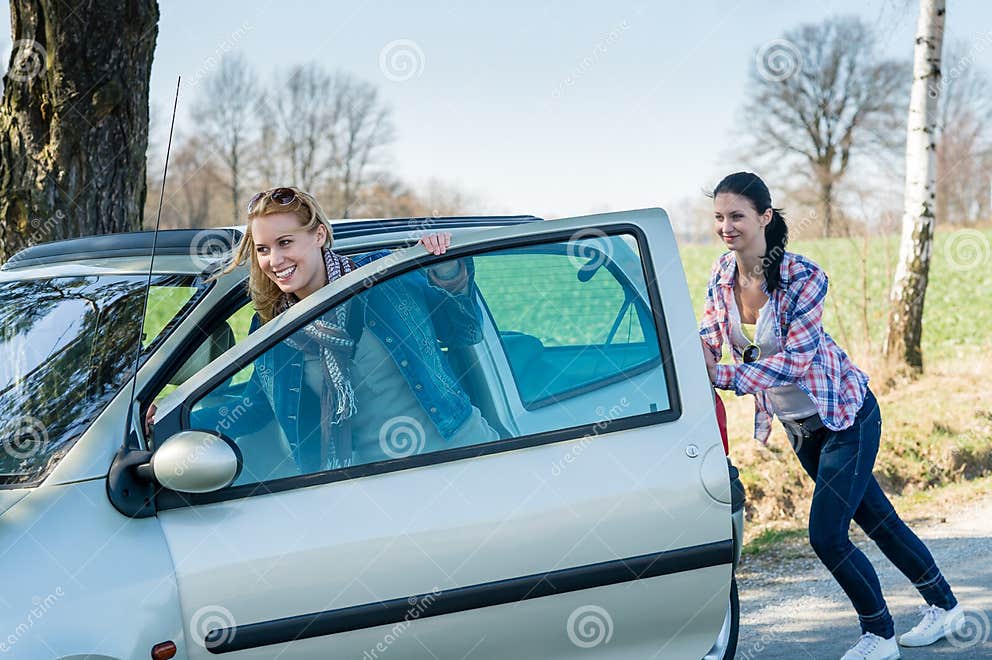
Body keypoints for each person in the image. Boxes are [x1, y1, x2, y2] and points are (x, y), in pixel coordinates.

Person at [699, 172, 963, 660]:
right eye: (719, 217)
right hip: (801, 430)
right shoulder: (721, 275)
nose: (726, 226)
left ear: (764, 217)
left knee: (825, 534)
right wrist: (689, 355)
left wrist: (727, 376)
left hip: (846, 417)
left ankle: (879, 635)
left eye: (736, 215)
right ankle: (945, 607)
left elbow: (795, 362)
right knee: (880, 521)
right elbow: (710, 334)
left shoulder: (804, 277)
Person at [151, 186, 500, 472]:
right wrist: (169, 419)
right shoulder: (273, 326)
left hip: (463, 453)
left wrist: (450, 271)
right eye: (263, 249)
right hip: (375, 483)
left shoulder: (384, 275)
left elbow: (465, 333)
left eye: (285, 242)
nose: (275, 260)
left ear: (319, 235)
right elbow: (255, 408)